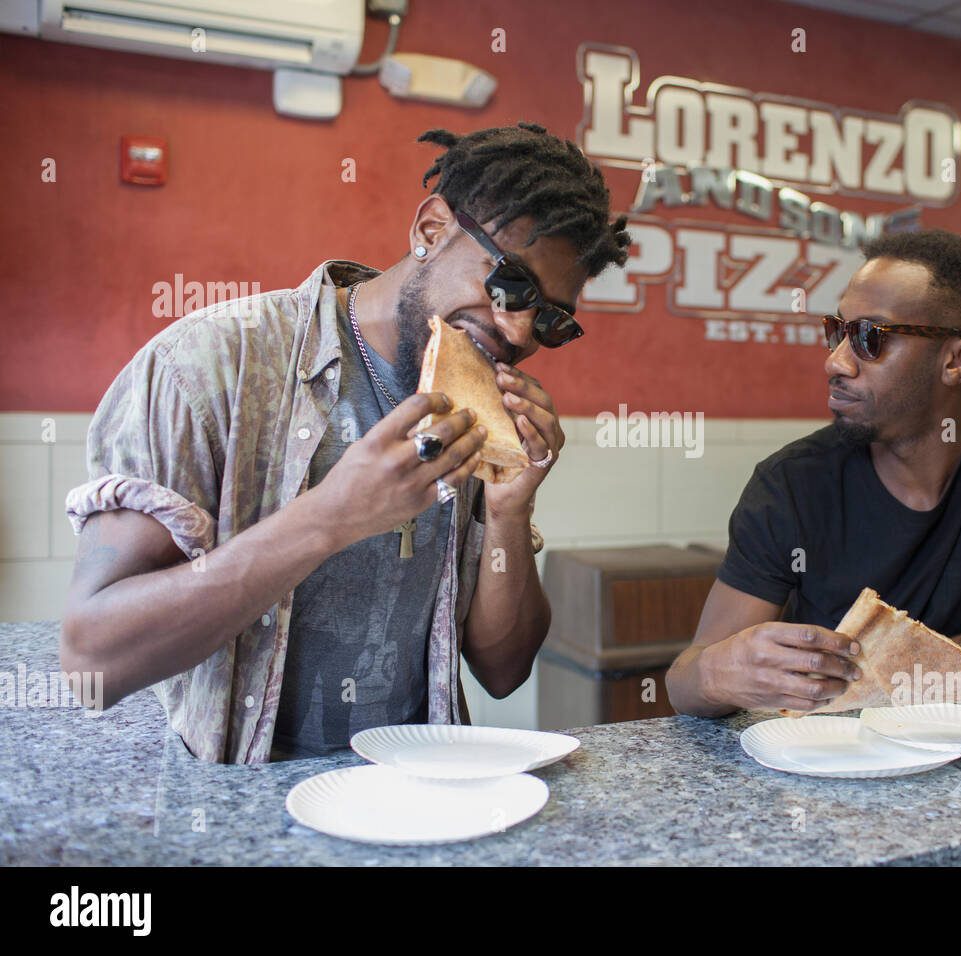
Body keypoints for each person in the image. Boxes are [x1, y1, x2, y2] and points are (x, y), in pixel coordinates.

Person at [61, 122, 630, 762]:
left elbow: (503, 671)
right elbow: (94, 661)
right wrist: (330, 518)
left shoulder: (476, 412)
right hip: (237, 804)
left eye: (550, 318)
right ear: (431, 229)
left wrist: (509, 510)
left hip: (417, 788)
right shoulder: (207, 365)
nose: (518, 330)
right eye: (511, 283)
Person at [666, 228, 961, 717]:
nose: (835, 361)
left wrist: (868, 675)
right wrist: (721, 672)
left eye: (870, 337)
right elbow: (685, 683)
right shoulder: (790, 484)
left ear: (958, 361)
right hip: (823, 761)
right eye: (837, 331)